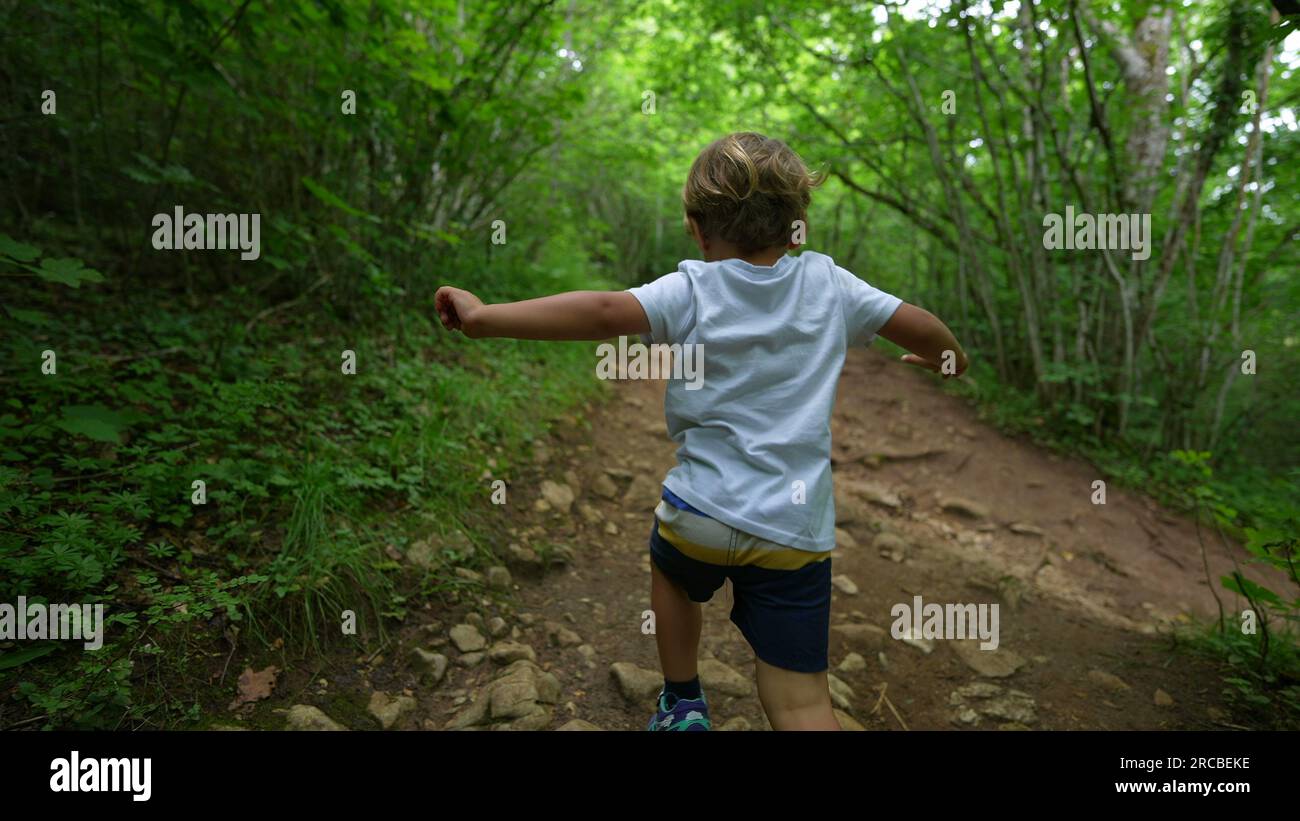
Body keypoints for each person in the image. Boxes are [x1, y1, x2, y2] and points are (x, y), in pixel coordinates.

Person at [435, 132, 969, 731]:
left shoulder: (691, 287)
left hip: (700, 515)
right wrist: (948, 358)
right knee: (801, 703)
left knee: (672, 573)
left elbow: (603, 312)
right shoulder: (831, 284)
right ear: (797, 224)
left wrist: (484, 319)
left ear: (697, 227)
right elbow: (919, 326)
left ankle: (683, 699)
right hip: (794, 532)